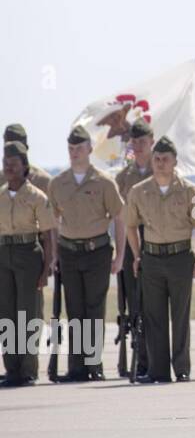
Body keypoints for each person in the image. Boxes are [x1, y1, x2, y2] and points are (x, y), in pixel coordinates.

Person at [123, 137, 195, 383]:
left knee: (180, 316)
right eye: (156, 159)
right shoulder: (138, 191)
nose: (160, 163)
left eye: (165, 159)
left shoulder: (192, 190)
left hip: (181, 258)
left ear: (175, 162)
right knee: (154, 317)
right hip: (153, 259)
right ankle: (158, 371)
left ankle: (182, 368)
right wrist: (137, 256)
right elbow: (129, 226)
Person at [47, 125, 125, 381]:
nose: (74, 153)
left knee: (95, 309)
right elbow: (52, 222)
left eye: (79, 148)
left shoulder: (104, 182)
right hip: (70, 253)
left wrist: (120, 255)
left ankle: (94, 365)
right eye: (70, 149)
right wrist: (55, 254)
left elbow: (119, 217)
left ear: (90, 149)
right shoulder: (58, 183)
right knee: (74, 310)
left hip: (97, 252)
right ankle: (76, 367)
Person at [0, 141, 54, 386]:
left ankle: (28, 369)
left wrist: (47, 267)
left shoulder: (36, 197)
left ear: (24, 166)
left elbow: (48, 234)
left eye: (13, 163)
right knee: (6, 314)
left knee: (28, 314)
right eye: (5, 163)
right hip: (3, 254)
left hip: (28, 253)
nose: (8, 167)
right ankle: (11, 369)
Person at [115, 119, 155, 378]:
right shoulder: (122, 177)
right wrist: (120, 253)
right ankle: (140, 360)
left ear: (152, 142)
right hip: (131, 241)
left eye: (143, 142)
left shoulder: (163, 170)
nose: (139, 146)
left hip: (155, 238)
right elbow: (119, 218)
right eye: (135, 142)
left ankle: (157, 359)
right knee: (134, 303)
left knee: (155, 304)